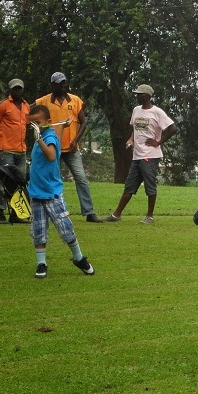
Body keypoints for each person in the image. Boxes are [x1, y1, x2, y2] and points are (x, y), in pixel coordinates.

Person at [27, 104, 95, 279]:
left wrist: (38, 138)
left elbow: (51, 155)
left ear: (47, 122)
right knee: (39, 230)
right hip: (36, 193)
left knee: (65, 228)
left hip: (52, 193)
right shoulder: (48, 134)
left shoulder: (47, 138)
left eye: (38, 122)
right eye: (32, 123)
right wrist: (63, 127)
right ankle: (41, 263)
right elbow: (56, 136)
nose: (34, 125)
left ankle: (79, 257)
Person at [35, 72, 104, 223]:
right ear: (52, 85)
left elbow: (83, 122)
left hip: (72, 149)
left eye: (64, 83)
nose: (62, 86)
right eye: (59, 83)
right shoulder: (43, 101)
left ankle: (89, 212)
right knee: (50, 179)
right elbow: (30, 115)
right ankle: (50, 211)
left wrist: (75, 140)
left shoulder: (75, 100)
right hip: (53, 147)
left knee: (81, 178)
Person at [105, 84, 177, 224]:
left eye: (140, 94)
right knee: (129, 185)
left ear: (148, 96)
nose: (137, 96)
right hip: (137, 155)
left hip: (150, 155)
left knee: (150, 186)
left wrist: (159, 142)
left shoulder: (157, 112)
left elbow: (173, 128)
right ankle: (116, 215)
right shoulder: (136, 110)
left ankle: (149, 216)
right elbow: (135, 130)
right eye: (137, 94)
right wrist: (130, 140)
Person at [0, 79, 31, 224]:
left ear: (23, 90)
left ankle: (16, 214)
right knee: (4, 180)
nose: (17, 91)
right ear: (10, 90)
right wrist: (1, 139)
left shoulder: (26, 106)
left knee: (20, 182)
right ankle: (0, 213)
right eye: (15, 89)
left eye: (20, 89)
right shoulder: (2, 106)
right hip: (5, 149)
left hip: (21, 150)